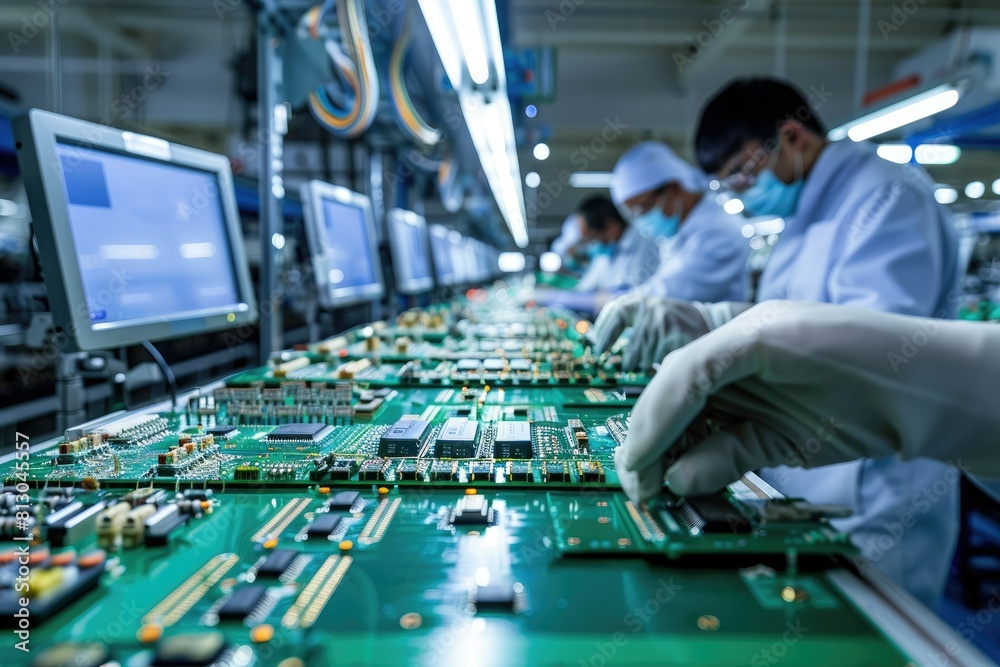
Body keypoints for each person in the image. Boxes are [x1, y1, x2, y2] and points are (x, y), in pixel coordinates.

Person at [595, 77, 961, 607]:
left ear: (791, 136)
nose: (741, 190)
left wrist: (734, 336)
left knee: (863, 629)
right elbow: (782, 315)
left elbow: (878, 345)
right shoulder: (803, 214)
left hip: (874, 484)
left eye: (743, 172)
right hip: (798, 474)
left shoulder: (885, 195)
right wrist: (705, 321)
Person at [609, 142, 749, 302]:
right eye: (632, 213)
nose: (641, 218)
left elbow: (668, 294)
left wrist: (617, 300)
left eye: (642, 208)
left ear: (674, 188)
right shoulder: (680, 234)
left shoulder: (719, 230)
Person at [574, 195, 660, 293]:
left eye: (594, 237)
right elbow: (585, 288)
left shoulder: (644, 245)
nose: (595, 244)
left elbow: (637, 292)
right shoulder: (607, 253)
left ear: (610, 225)